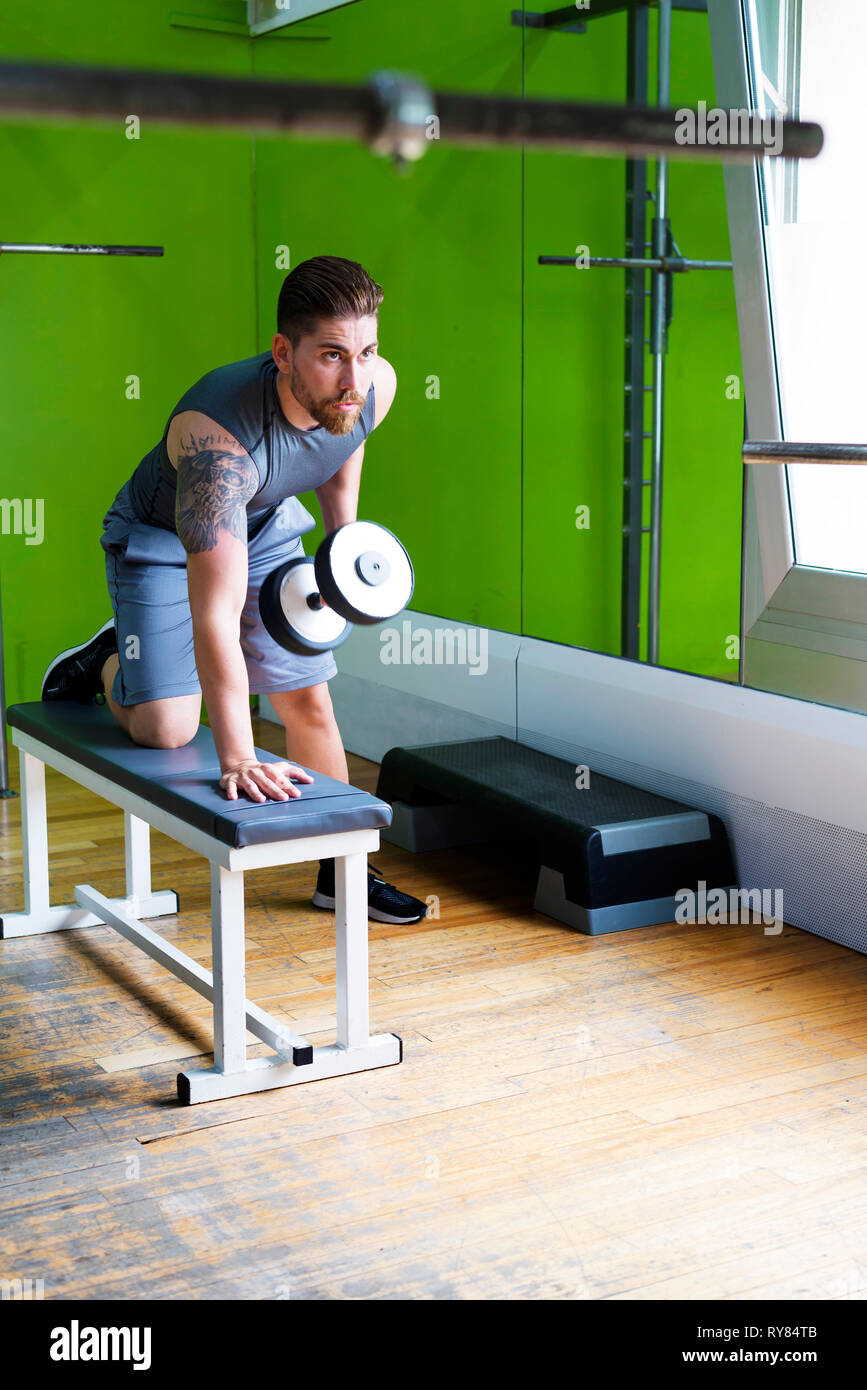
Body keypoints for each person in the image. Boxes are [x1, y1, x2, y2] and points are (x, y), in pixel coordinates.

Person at [42, 254, 427, 926]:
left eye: (366, 351)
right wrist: (239, 754)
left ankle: (343, 873)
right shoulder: (215, 442)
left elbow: (342, 447)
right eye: (332, 356)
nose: (354, 377)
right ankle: (105, 660)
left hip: (267, 520)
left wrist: (341, 552)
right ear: (283, 352)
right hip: (167, 537)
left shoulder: (371, 386)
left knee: (307, 694)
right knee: (166, 730)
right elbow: (215, 615)